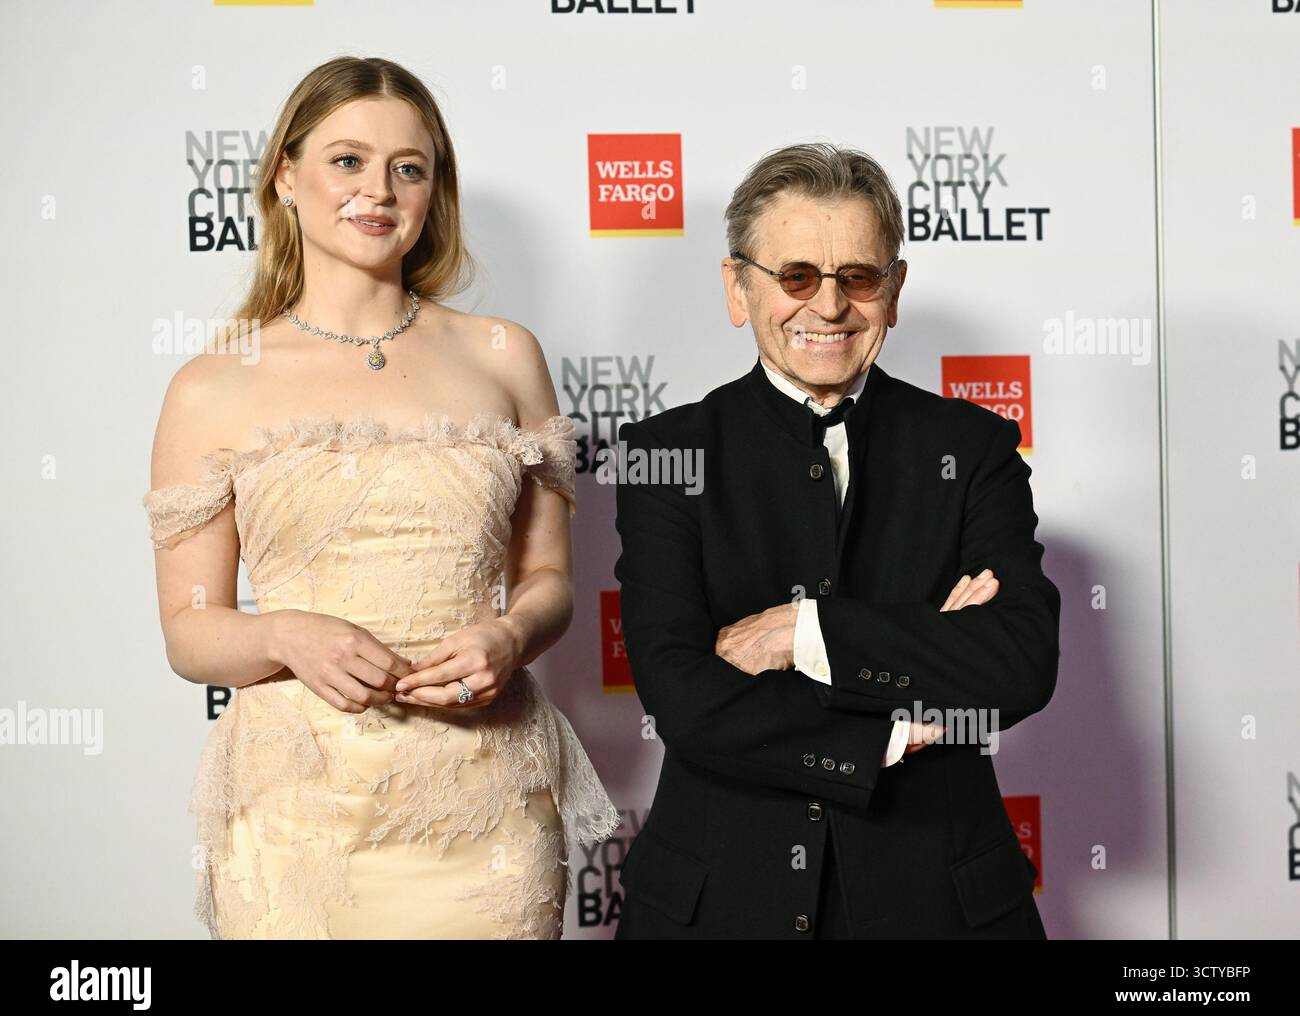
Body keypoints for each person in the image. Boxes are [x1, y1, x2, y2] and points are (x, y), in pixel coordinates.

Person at [143, 56, 618, 939]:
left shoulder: (505, 355)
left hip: (489, 807)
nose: (380, 191)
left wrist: (511, 634)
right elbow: (190, 628)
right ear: (286, 176)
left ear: (435, 190)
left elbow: (550, 573)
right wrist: (283, 634)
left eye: (411, 167)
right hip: (298, 819)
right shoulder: (211, 386)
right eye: (348, 161)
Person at [612, 142, 1060, 939]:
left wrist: (805, 634)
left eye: (858, 276)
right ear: (737, 289)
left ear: (893, 290)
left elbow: (1019, 662)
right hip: (719, 903)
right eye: (795, 277)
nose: (828, 307)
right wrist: (894, 726)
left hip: (940, 900)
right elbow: (682, 695)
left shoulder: (977, 446)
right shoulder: (663, 454)